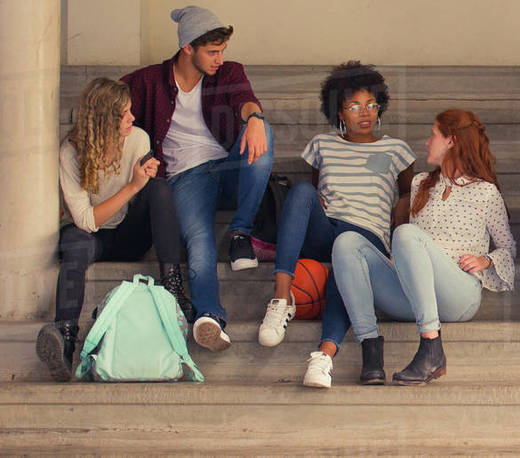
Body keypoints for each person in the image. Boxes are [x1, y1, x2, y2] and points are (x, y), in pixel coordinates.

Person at [303, 109, 515, 388]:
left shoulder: (485, 192)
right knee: (347, 242)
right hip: (412, 295)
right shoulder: (420, 184)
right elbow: (411, 244)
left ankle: (431, 346)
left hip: (458, 294)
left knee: (405, 234)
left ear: (451, 141)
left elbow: (508, 248)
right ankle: (370, 350)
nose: (427, 142)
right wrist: (399, 258)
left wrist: (485, 260)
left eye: (433, 135)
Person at [121, 6, 273, 351]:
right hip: (188, 178)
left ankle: (240, 232)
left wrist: (255, 118)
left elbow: (245, 100)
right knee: (200, 240)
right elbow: (105, 104)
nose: (220, 58)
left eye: (222, 50)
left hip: (231, 167)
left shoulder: (228, 73)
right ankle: (209, 318)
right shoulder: (148, 81)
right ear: (187, 47)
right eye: (212, 52)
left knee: (265, 133)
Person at [36, 78, 188, 382]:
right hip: (93, 238)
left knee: (158, 189)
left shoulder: (138, 139)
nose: (132, 118)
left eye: (131, 110)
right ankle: (65, 337)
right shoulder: (71, 152)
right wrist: (132, 185)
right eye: (124, 114)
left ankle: (173, 289)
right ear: (104, 120)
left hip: (128, 234)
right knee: (76, 244)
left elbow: (142, 195)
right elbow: (86, 221)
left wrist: (141, 185)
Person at [257, 61, 415, 349]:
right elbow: (316, 189)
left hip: (367, 236)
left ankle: (324, 354)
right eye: (354, 106)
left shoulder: (397, 149)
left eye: (371, 104)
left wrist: (399, 247)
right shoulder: (322, 144)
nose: (365, 113)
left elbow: (406, 198)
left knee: (346, 256)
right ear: (339, 111)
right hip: (326, 230)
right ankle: (280, 300)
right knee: (303, 191)